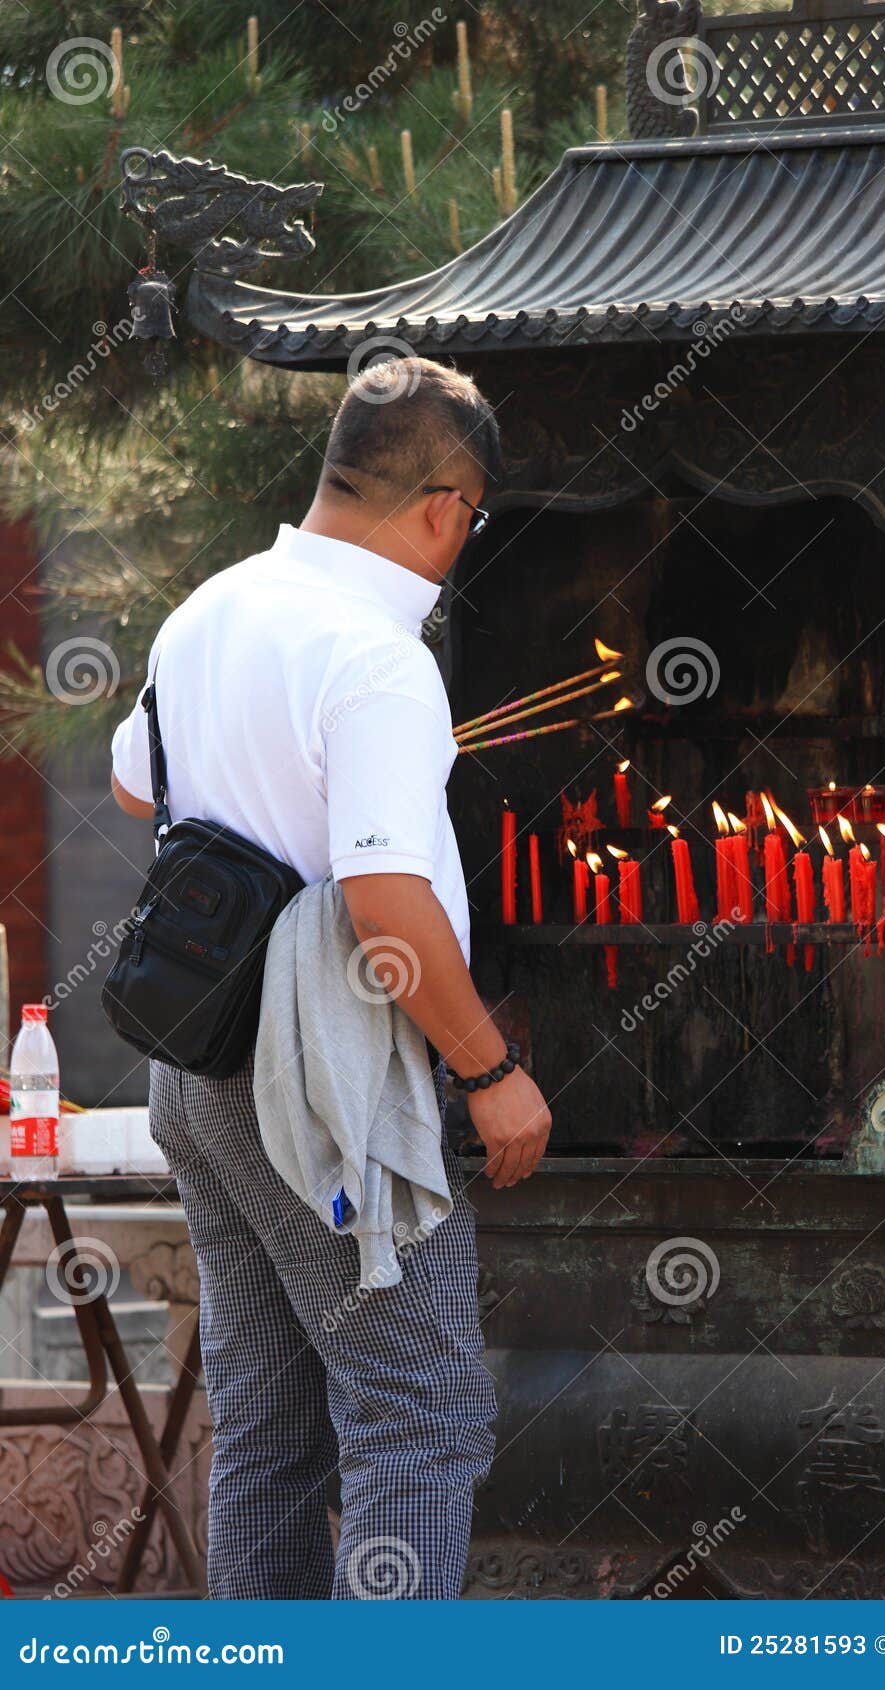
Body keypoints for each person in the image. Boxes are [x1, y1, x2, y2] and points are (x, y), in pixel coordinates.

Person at [109, 356, 553, 1600]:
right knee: (421, 1418)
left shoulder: (208, 609)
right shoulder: (375, 657)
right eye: (468, 523)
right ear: (443, 505)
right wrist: (491, 1069)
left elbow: (138, 785)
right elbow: (384, 897)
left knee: (269, 1426)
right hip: (327, 1095)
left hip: (195, 1068)